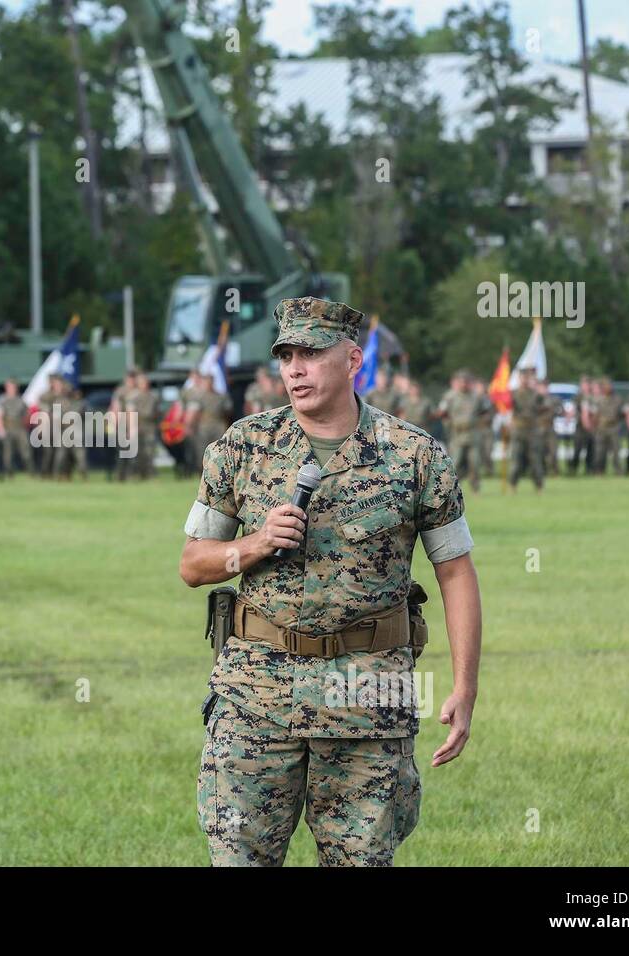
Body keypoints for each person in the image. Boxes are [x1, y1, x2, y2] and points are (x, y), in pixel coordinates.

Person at [179, 296, 480, 867]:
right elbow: (193, 564)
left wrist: (465, 687)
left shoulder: (415, 456)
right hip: (255, 695)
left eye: (311, 353)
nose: (294, 368)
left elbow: (456, 572)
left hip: (369, 695)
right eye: (286, 355)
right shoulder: (243, 447)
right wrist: (254, 544)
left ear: (351, 359)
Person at [436, 371, 482, 493]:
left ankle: (475, 489)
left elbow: (486, 411)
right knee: (455, 463)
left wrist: (479, 422)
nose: (464, 384)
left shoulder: (476, 397)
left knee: (475, 463)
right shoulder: (450, 397)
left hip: (472, 434)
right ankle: (452, 488)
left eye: (466, 382)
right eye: (461, 382)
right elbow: (441, 412)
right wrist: (448, 424)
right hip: (456, 435)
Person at [508, 367, 548, 492]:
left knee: (535, 460)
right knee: (516, 460)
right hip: (518, 430)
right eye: (522, 377)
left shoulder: (536, 395)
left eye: (527, 378)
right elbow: (505, 407)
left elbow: (544, 408)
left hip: (532, 431)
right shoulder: (513, 394)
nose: (525, 380)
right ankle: (512, 485)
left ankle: (539, 486)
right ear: (519, 379)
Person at [0, 378, 33, 479]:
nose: (12, 389)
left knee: (26, 451)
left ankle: (31, 472)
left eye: (14, 387)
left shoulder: (21, 400)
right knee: (8, 453)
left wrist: (26, 426)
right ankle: (9, 473)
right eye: (10, 387)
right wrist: (0, 430)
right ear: (6, 387)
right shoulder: (2, 400)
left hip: (20, 428)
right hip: (8, 428)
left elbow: (27, 415)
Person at [129, 372, 161, 479]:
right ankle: (139, 473)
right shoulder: (134, 397)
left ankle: (150, 473)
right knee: (139, 451)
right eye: (142, 383)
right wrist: (132, 428)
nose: (145, 385)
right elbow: (131, 412)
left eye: (146, 383)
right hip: (138, 424)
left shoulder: (153, 397)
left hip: (150, 426)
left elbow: (157, 413)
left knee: (150, 450)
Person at [592, 378, 622, 474]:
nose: (607, 387)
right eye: (605, 386)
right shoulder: (598, 399)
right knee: (600, 451)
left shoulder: (617, 399)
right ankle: (599, 471)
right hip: (601, 429)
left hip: (613, 428)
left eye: (608, 385)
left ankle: (618, 471)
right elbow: (594, 415)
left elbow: (622, 413)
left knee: (616, 451)